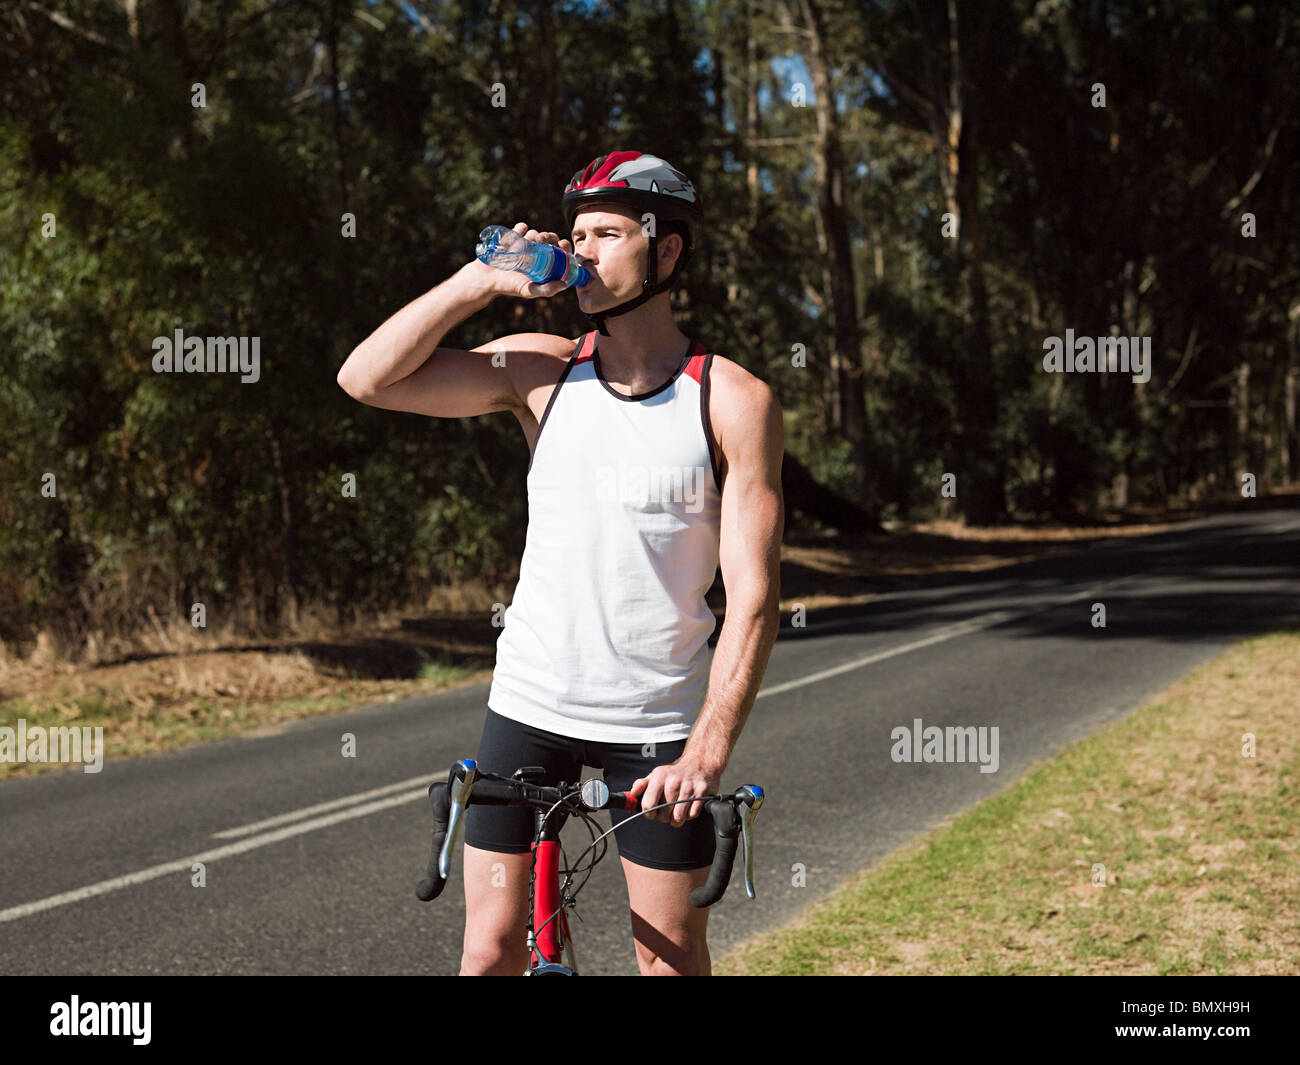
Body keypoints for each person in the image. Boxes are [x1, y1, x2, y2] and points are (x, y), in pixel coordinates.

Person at [337, 150, 784, 975]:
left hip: (655, 722)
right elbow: (365, 378)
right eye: (574, 233)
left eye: (606, 233)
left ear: (668, 251)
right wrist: (481, 280)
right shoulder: (542, 369)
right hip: (531, 700)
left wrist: (706, 754)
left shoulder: (732, 400)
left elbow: (753, 598)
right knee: (492, 947)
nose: (581, 251)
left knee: (668, 957)